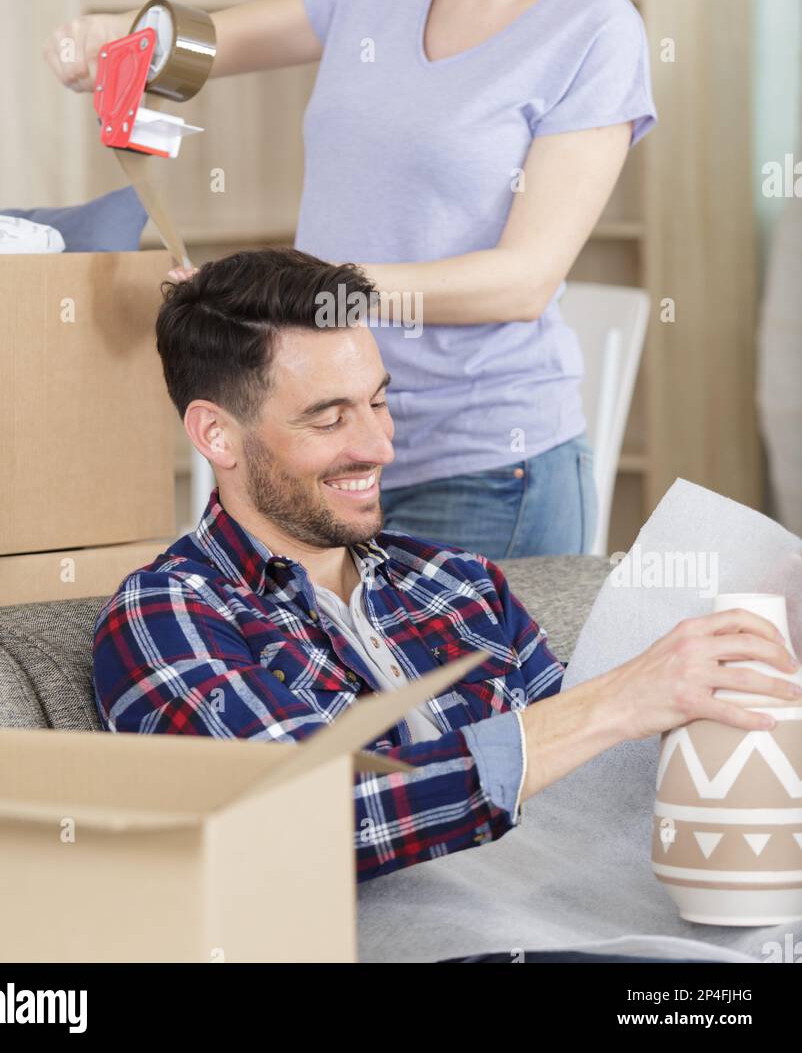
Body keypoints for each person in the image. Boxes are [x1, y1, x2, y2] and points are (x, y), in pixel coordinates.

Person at [48, 0, 657, 561]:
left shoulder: (593, 31)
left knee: (465, 701)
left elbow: (520, 282)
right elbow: (210, 44)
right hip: (318, 448)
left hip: (481, 468)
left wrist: (304, 294)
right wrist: (120, 35)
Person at [92, 248, 801, 887]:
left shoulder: (459, 582)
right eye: (329, 418)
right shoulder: (170, 613)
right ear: (215, 433)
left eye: (377, 402)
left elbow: (589, 791)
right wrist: (615, 701)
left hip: (589, 913)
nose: (378, 447)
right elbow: (304, 822)